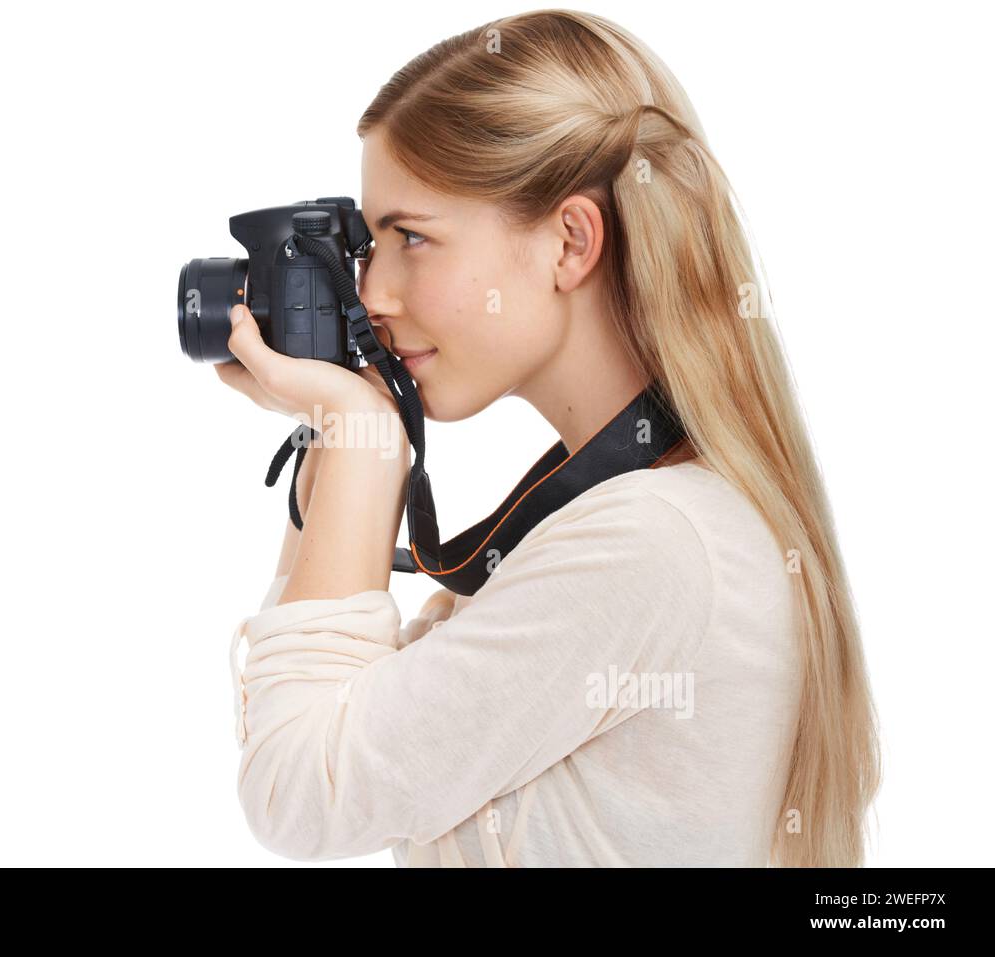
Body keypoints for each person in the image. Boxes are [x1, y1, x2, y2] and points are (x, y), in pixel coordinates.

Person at [216, 9, 880, 867]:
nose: (371, 291)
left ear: (570, 243)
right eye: (366, 244)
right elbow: (332, 724)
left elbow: (301, 795)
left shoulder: (650, 543)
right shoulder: (630, 518)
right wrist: (339, 441)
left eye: (410, 236)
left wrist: (363, 443)